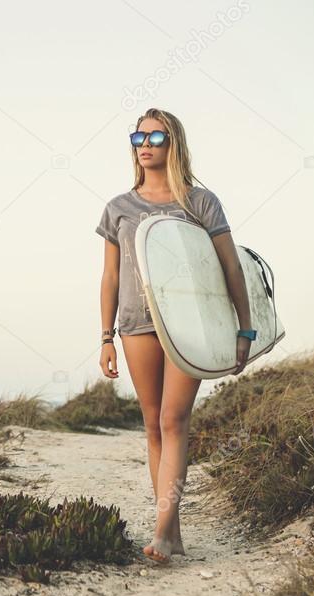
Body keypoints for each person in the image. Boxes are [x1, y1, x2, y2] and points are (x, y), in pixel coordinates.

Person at [94, 108, 255, 564]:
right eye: (138, 137)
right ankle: (174, 529)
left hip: (191, 323)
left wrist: (244, 328)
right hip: (136, 324)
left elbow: (229, 268)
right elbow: (109, 277)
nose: (144, 144)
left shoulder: (200, 203)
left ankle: (162, 530)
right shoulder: (118, 207)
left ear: (173, 143)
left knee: (174, 420)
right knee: (152, 424)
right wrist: (106, 337)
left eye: (155, 136)